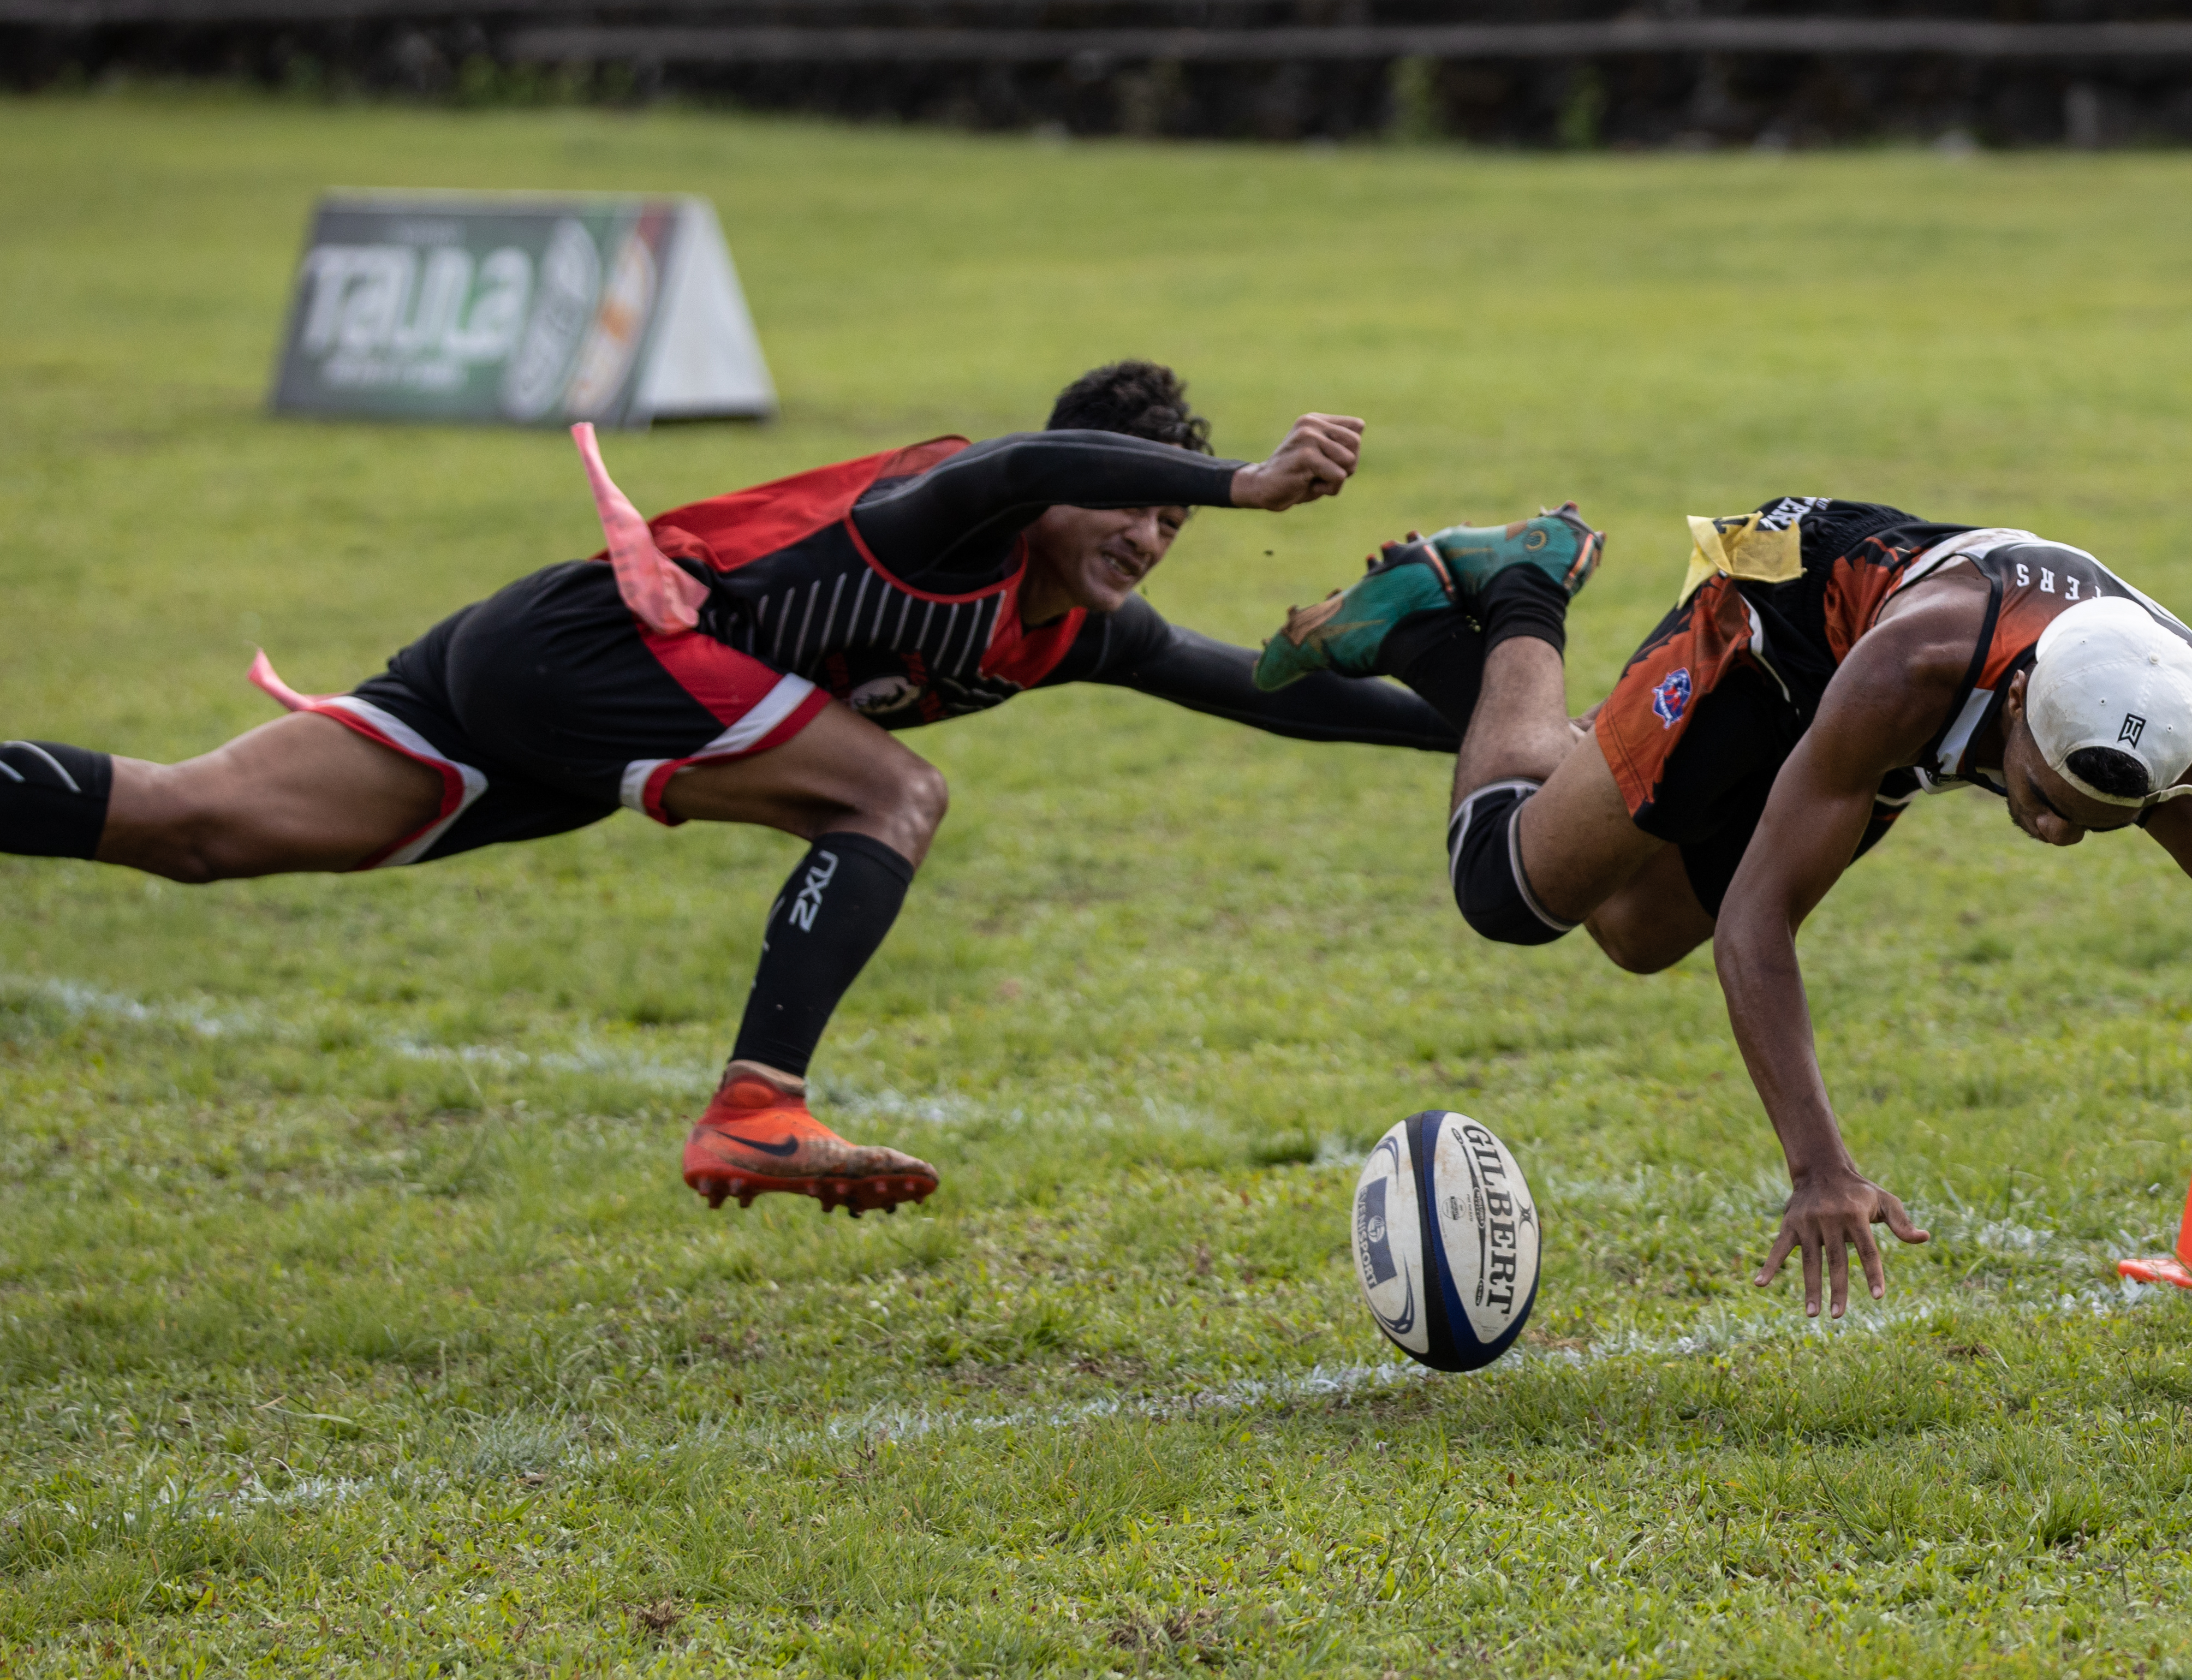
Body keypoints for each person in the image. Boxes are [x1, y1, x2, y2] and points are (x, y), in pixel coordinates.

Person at [1, 362, 1456, 1217]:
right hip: (584, 644)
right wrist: (1242, 482)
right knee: (893, 796)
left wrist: (1492, 733)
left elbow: (1267, 695)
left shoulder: (1079, 630)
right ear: (1052, 496)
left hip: (545, 669)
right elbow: (1021, 454)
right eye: (1129, 500)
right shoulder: (951, 514)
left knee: (191, 826)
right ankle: (759, 1105)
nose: (1146, 533)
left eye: (1167, 518)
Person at [1259, 496, 2192, 1410]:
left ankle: (1419, 638)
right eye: (2042, 797)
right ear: (2017, 705)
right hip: (1783, 618)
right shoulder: (1913, 673)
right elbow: (1757, 926)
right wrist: (1819, 1168)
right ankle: (1521, 586)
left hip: (1882, 706)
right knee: (1507, 890)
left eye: (2096, 824)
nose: (2052, 832)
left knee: (1637, 931)